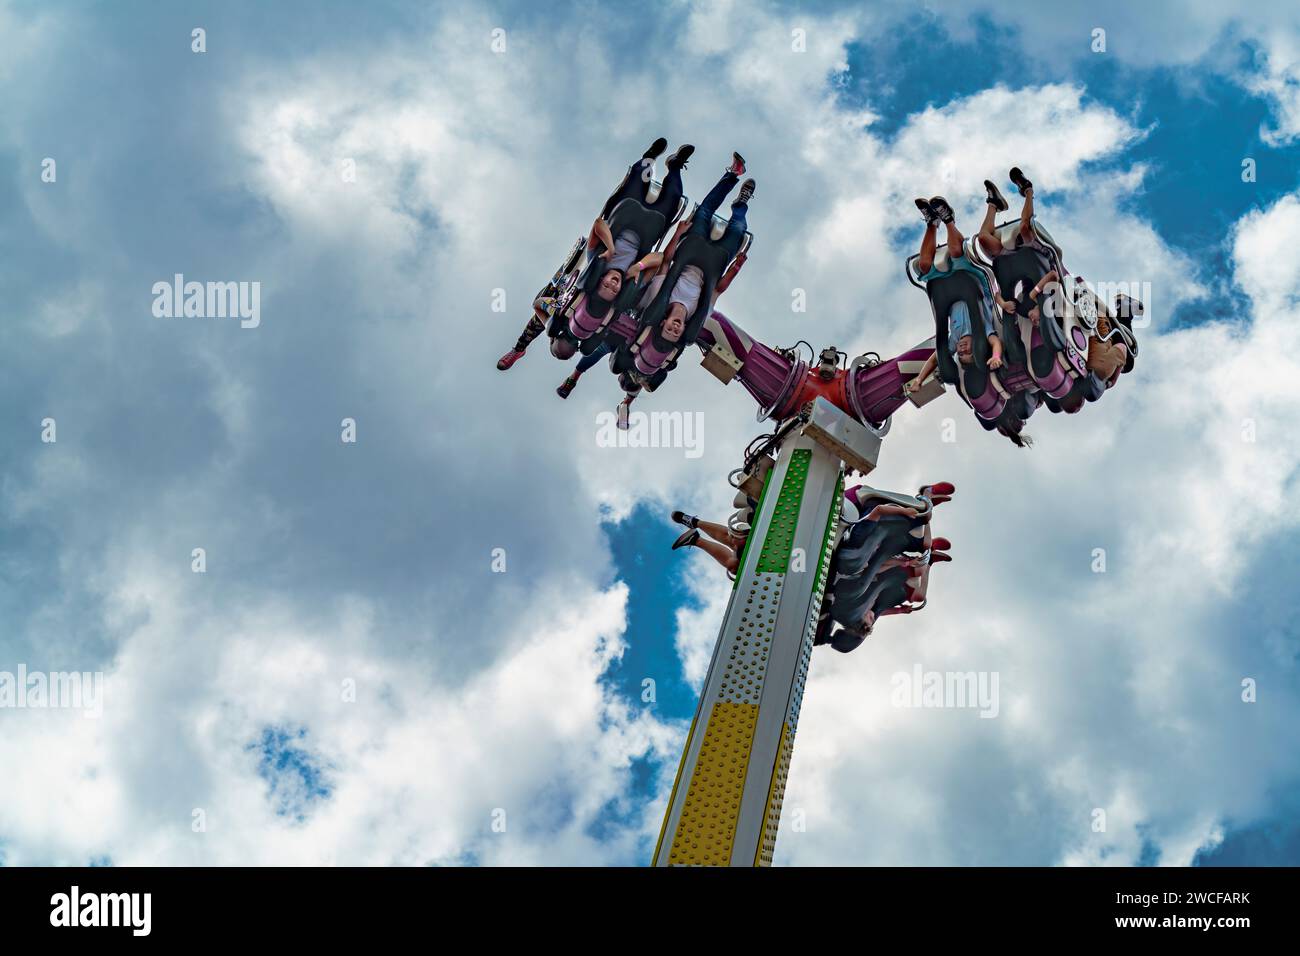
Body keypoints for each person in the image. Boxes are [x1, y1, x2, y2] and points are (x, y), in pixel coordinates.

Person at [497, 138, 694, 370]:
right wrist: (638, 268)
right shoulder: (622, 295)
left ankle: (650, 156)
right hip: (645, 234)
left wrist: (556, 312)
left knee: (630, 192)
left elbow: (540, 303)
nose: (612, 285)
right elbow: (659, 262)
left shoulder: (590, 273)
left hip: (615, 229)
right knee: (668, 204)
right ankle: (676, 167)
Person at [907, 195, 1006, 389]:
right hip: (973, 283)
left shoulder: (953, 340)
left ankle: (932, 223)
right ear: (977, 349)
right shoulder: (985, 333)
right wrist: (995, 357)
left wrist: (919, 380)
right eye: (967, 352)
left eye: (959, 354)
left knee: (924, 265)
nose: (961, 350)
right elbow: (996, 344)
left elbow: (935, 359)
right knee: (954, 252)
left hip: (947, 288)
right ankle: (948, 219)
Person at [976, 167, 1051, 261]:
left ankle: (994, 204)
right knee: (1024, 227)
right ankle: (1028, 189)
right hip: (1034, 256)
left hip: (1017, 262)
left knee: (982, 238)